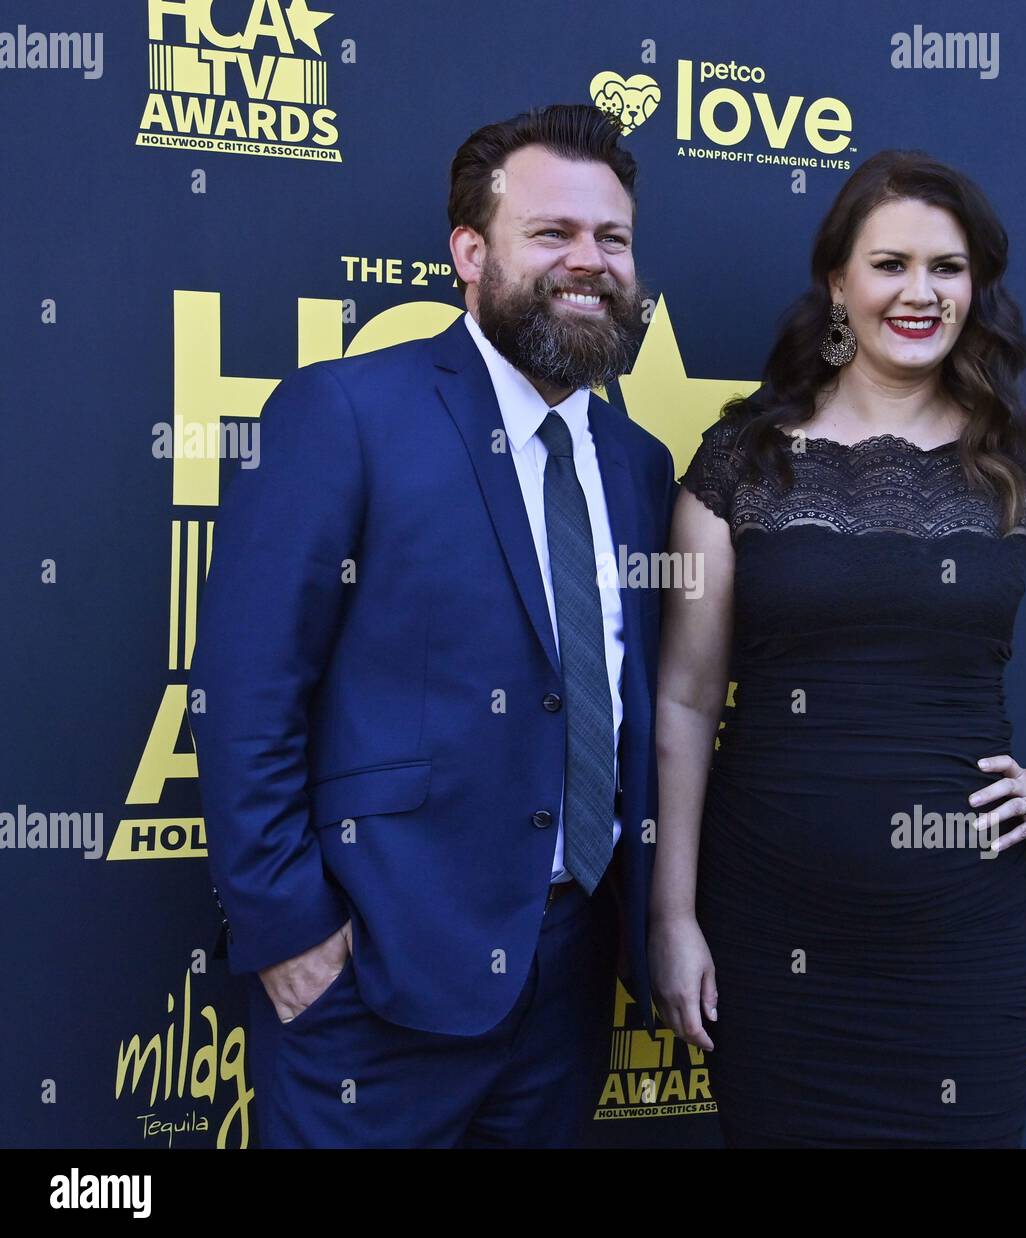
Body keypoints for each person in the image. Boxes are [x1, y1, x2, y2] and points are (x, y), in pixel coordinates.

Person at [650, 149, 1026, 1148]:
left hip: (958, 947)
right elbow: (685, 702)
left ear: (975, 285)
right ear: (837, 282)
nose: (919, 291)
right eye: (889, 262)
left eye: (946, 267)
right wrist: (672, 915)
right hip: (772, 933)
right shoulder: (741, 462)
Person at [188, 104, 677, 1148]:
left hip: (570, 975)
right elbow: (245, 687)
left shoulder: (636, 464)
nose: (588, 261)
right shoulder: (346, 413)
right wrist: (293, 936)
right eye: (552, 233)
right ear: (469, 251)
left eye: (613, 238)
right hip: (372, 979)